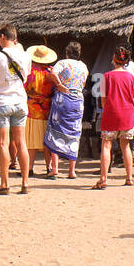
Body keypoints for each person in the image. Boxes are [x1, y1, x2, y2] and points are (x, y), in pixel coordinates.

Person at [0, 24, 31, 194]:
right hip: (19, 101)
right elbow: (25, 77)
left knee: (3, 143)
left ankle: (4, 184)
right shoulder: (26, 56)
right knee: (21, 142)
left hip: (2, 101)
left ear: (3, 37)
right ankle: (25, 183)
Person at [94, 45, 134, 189]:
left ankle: (103, 178)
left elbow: (103, 101)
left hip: (111, 115)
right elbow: (133, 96)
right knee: (126, 146)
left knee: (106, 146)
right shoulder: (131, 77)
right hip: (127, 116)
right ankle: (129, 177)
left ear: (114, 58)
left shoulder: (106, 76)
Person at [45, 41, 88, 180]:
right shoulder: (83, 66)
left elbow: (53, 73)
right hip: (78, 101)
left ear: (67, 53)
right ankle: (71, 171)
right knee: (74, 132)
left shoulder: (62, 63)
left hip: (63, 99)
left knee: (55, 129)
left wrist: (59, 84)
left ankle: (55, 169)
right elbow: (84, 83)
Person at [24, 45, 58, 178]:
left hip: (31, 109)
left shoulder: (30, 71)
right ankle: (49, 167)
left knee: (31, 141)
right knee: (47, 142)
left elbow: (24, 87)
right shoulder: (51, 71)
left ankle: (29, 168)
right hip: (47, 109)